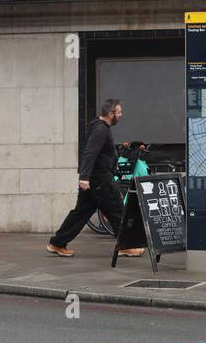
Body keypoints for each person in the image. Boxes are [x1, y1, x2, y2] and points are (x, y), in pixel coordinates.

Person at [47, 98, 144, 258]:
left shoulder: (99, 127)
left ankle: (57, 243)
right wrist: (84, 177)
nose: (121, 115)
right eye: (119, 112)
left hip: (94, 180)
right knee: (118, 210)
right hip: (100, 180)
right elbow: (90, 153)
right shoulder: (100, 130)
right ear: (111, 113)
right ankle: (126, 246)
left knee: (80, 213)